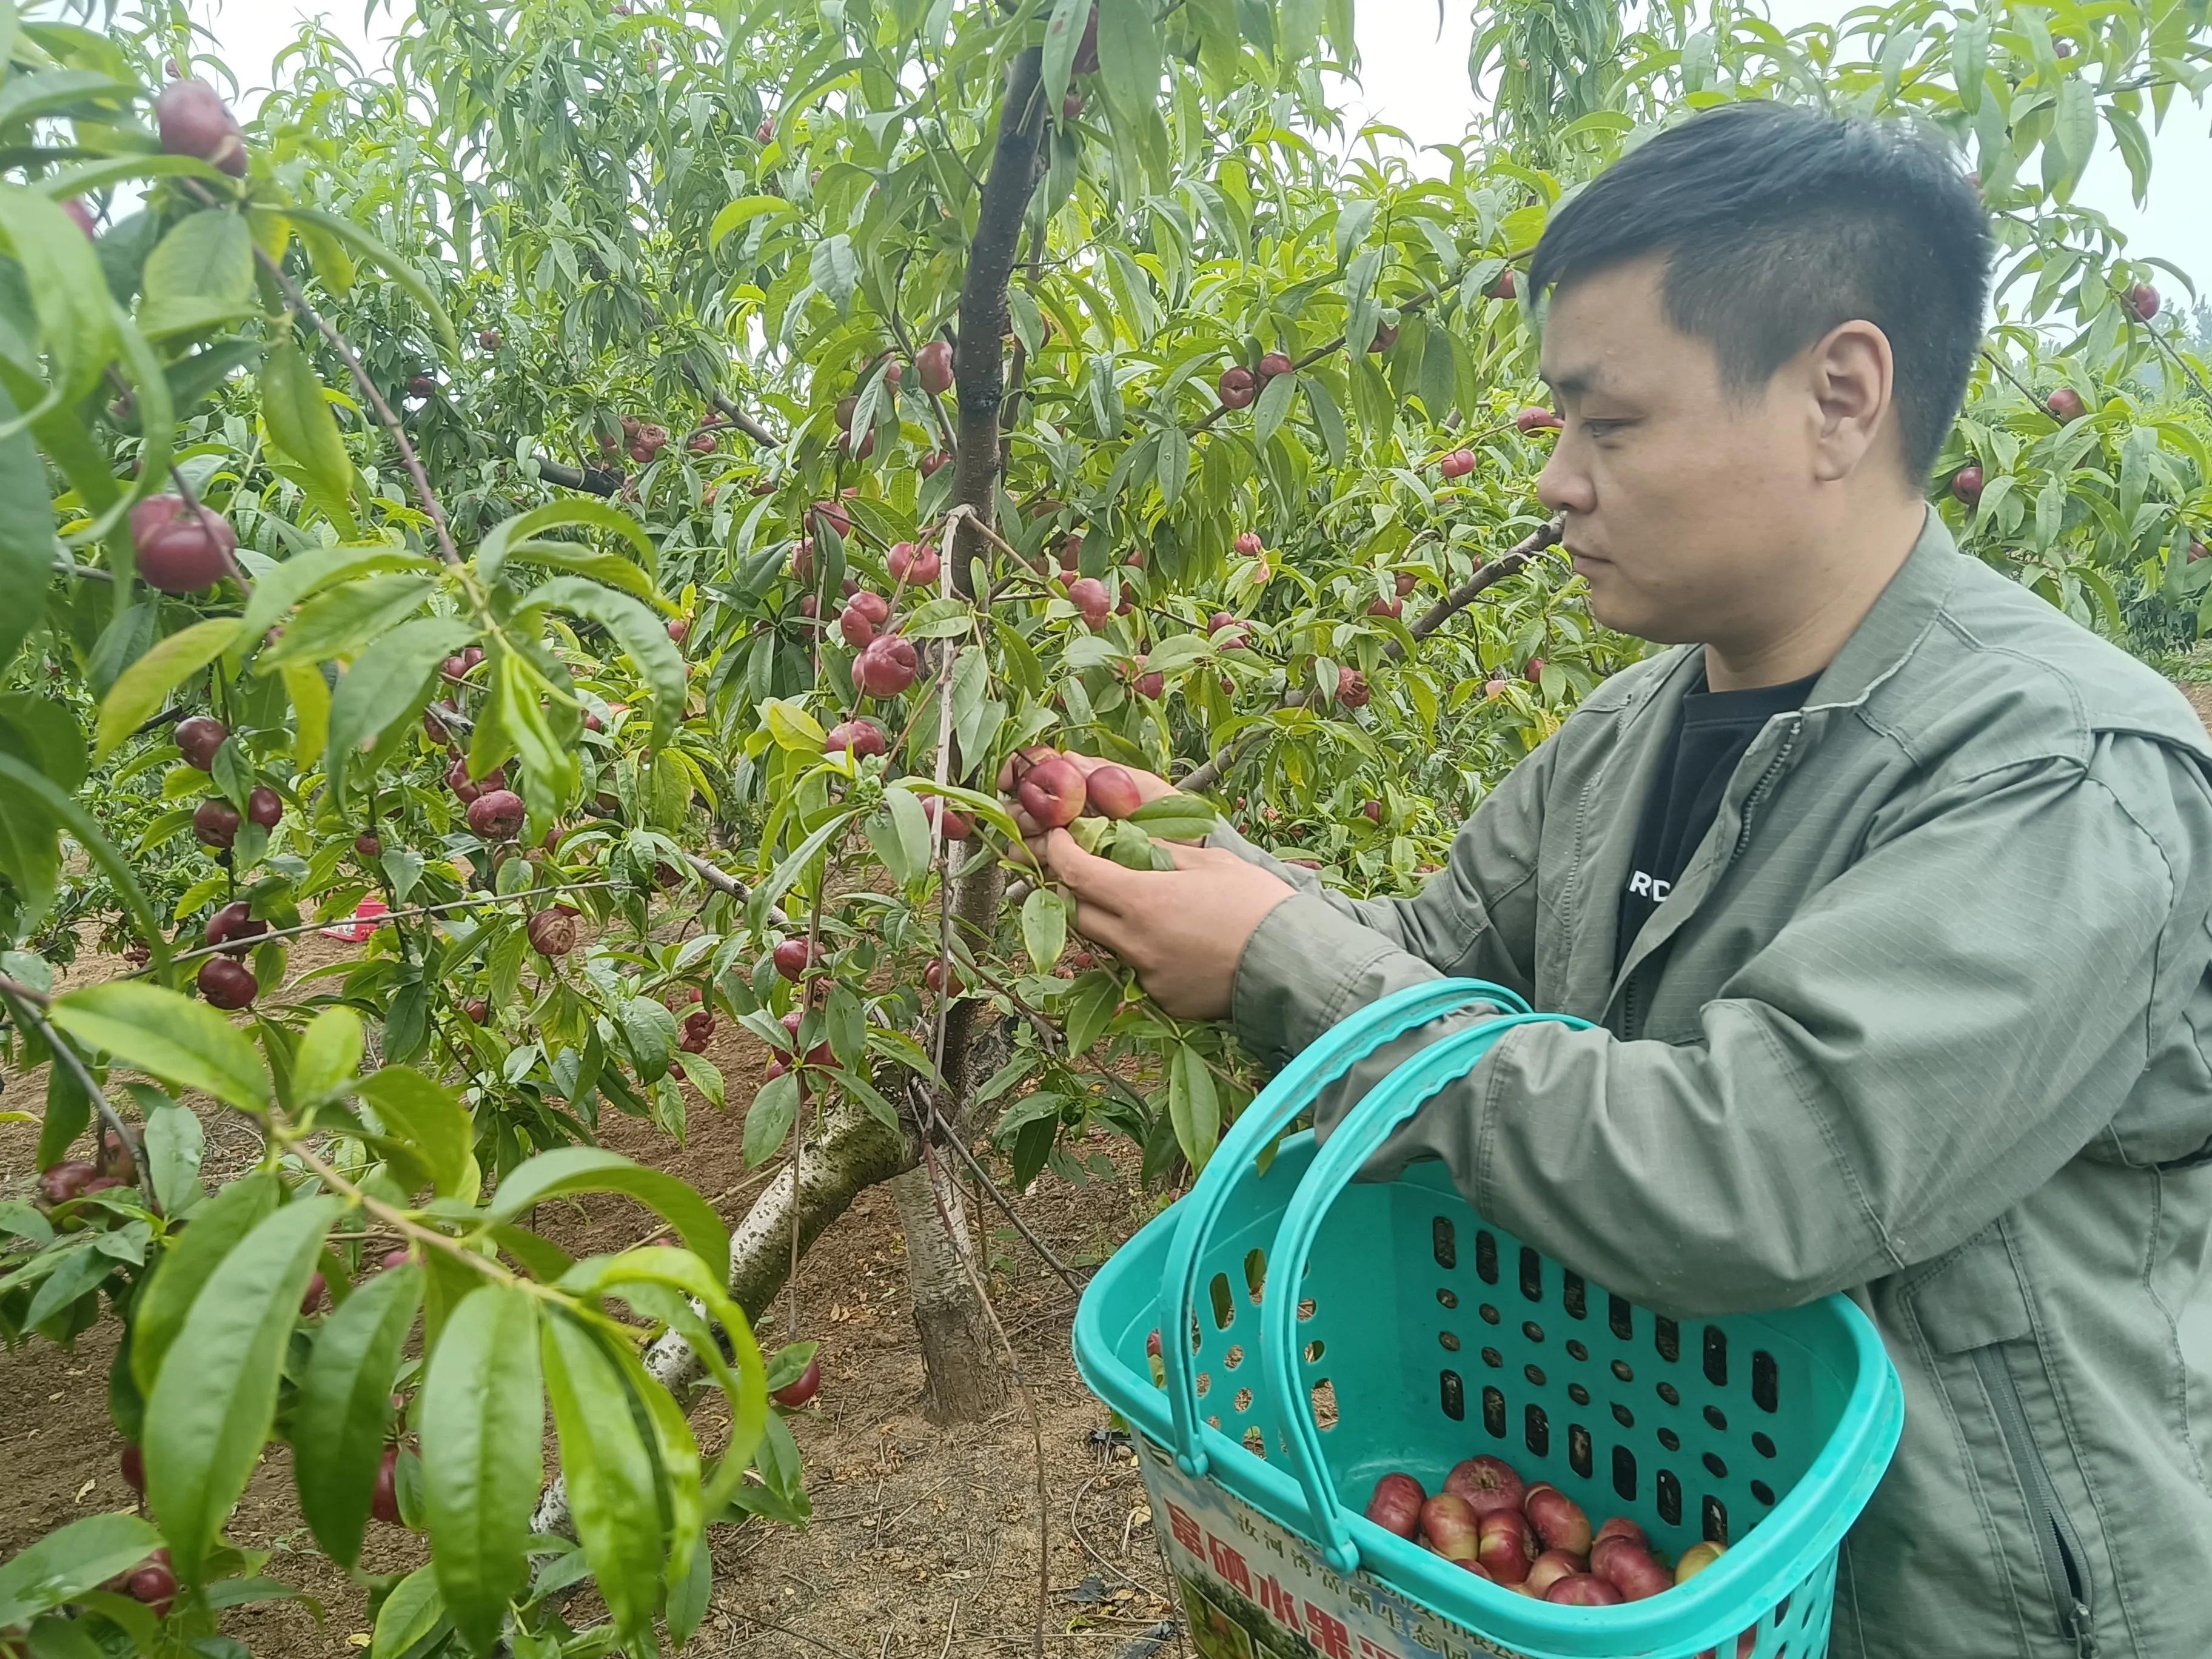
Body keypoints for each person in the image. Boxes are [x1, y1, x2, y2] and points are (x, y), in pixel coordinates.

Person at [1018, 102, 2212, 1658]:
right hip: (1673, 1551)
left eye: (1612, 424)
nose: (1558, 484)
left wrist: (1278, 962)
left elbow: (1754, 1174)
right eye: (1556, 429)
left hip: (1960, 1604)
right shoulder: (1632, 727)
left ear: (1839, 395)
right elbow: (1437, 964)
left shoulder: (2062, 777)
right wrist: (1209, 873)